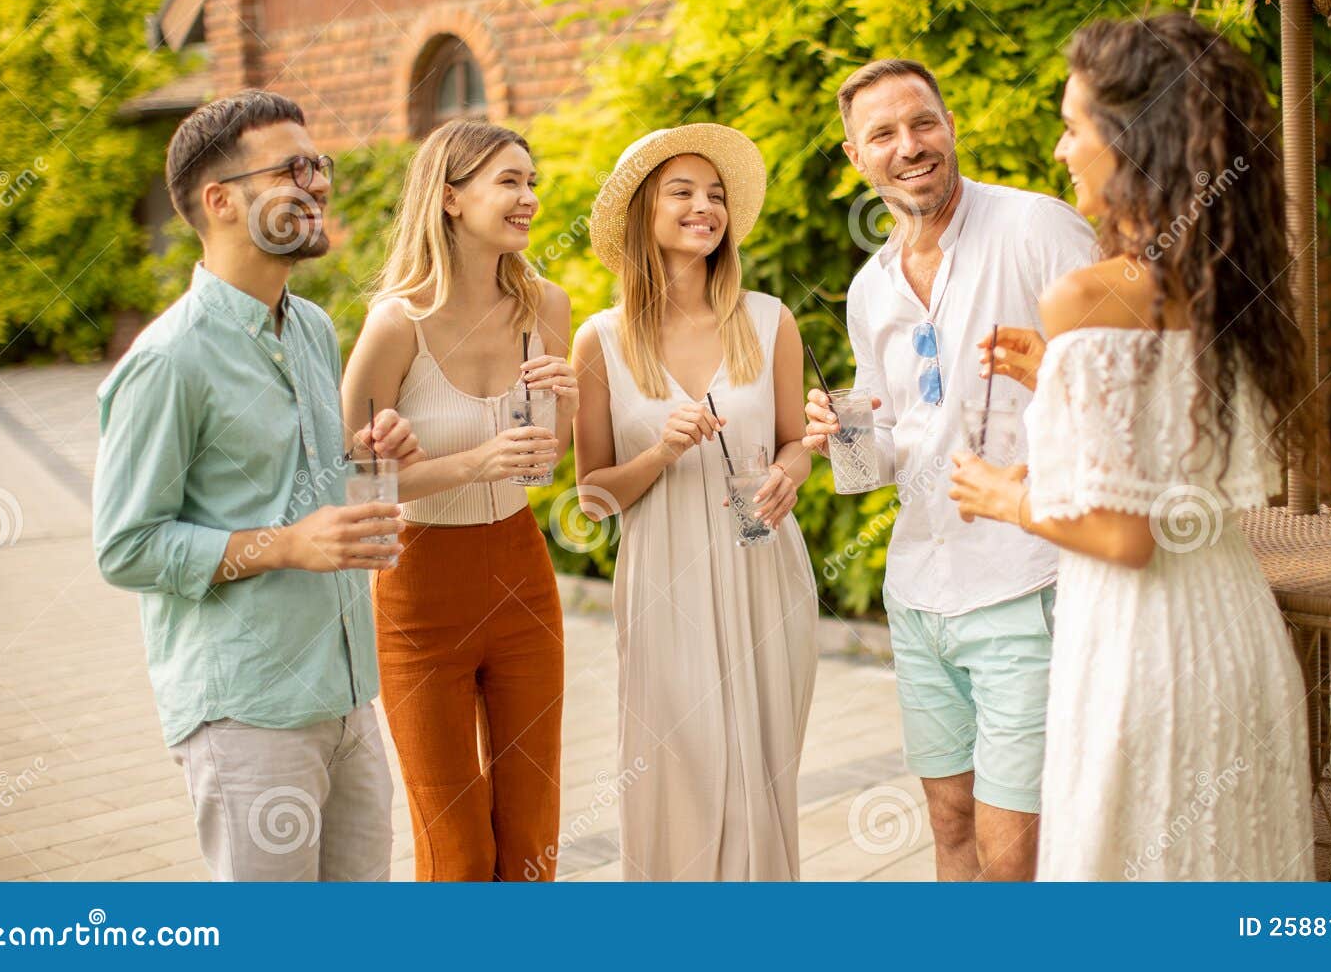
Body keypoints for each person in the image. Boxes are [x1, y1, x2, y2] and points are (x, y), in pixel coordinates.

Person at [947, 13, 1317, 880]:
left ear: (1134, 138)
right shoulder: (1223, 280)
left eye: (1075, 126)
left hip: (1143, 654)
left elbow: (1123, 535)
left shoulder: (1085, 294)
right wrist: (1059, 379)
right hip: (1233, 637)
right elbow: (1171, 449)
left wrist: (999, 494)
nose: (1060, 149)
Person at [93, 90, 422, 881]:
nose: (317, 184)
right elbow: (125, 545)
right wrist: (289, 545)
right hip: (248, 711)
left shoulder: (308, 325)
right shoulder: (167, 361)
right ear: (221, 201)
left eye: (319, 165)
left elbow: (306, 483)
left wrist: (368, 455)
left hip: (348, 693)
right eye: (292, 168)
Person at [803, 59, 1096, 881]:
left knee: (1016, 851)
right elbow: (895, 441)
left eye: (922, 122)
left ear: (951, 124)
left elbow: (1115, 385)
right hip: (920, 594)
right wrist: (844, 434)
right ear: (856, 157)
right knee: (950, 821)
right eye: (883, 134)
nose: (910, 146)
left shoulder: (1038, 229)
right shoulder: (870, 289)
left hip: (1023, 585)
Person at [571, 124, 818, 880]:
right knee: (678, 769)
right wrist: (661, 452)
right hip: (664, 585)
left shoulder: (769, 319)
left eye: (714, 195)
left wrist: (792, 473)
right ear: (646, 210)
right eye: (682, 192)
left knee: (760, 779)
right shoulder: (602, 341)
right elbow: (591, 498)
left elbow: (795, 441)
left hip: (762, 571)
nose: (703, 207)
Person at [341, 121, 576, 881]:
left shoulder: (548, 307)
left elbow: (545, 459)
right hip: (420, 589)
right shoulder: (395, 323)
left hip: (521, 571)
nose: (529, 197)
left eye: (531, 181)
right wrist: (472, 461)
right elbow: (353, 483)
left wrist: (565, 403)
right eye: (509, 180)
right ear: (449, 198)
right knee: (457, 842)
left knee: (531, 827)